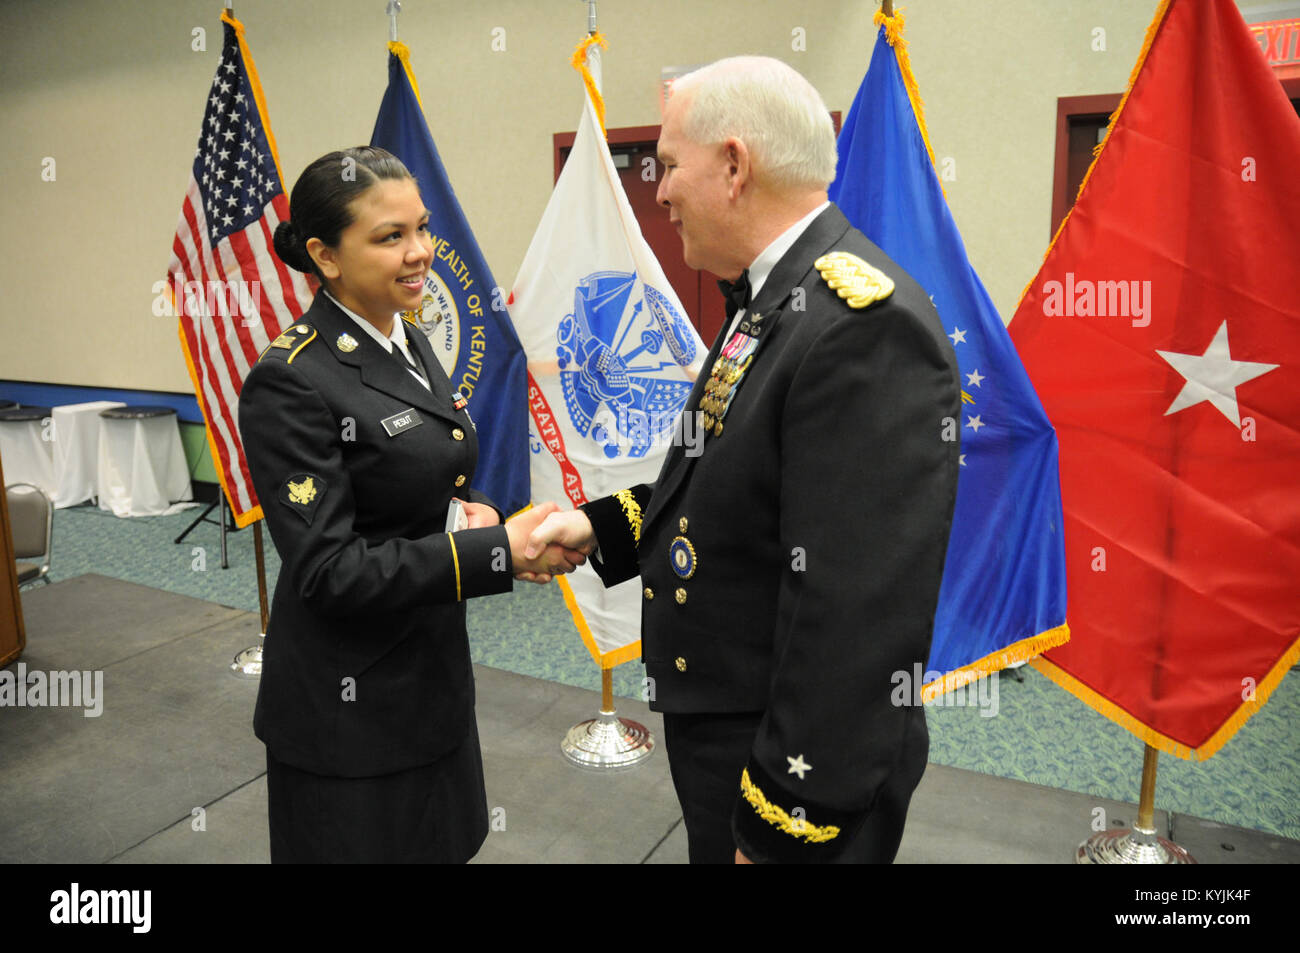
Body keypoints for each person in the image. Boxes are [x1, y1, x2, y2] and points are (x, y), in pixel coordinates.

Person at [524, 57, 961, 863]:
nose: (658, 190)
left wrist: (783, 822)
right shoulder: (773, 297)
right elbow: (720, 484)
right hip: (732, 719)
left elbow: (854, 612)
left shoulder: (858, 324)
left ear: (733, 165)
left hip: (789, 762)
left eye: (668, 162)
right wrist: (590, 528)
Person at [239, 146, 583, 863]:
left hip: (430, 683)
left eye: (421, 229)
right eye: (389, 236)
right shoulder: (293, 381)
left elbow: (426, 479)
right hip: (349, 714)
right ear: (324, 256)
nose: (420, 252)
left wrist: (476, 512)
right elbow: (329, 571)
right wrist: (495, 553)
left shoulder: (409, 338)